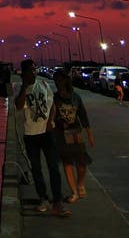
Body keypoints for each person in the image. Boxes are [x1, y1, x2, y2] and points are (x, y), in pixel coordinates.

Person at [14, 59, 71, 217]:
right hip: (30, 135)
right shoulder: (20, 88)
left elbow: (52, 104)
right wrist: (25, 86)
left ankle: (57, 201)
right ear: (24, 72)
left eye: (34, 70)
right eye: (30, 70)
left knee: (53, 167)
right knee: (36, 169)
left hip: (47, 133)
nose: (34, 72)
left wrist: (50, 121)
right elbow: (19, 106)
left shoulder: (44, 85)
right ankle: (43, 198)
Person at [52, 69, 94, 202]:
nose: (57, 83)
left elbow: (83, 115)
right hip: (61, 133)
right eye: (55, 81)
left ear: (65, 80)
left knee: (81, 163)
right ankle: (74, 192)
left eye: (59, 80)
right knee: (67, 162)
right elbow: (51, 117)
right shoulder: (54, 98)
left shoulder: (75, 97)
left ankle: (80, 183)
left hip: (75, 132)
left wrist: (89, 134)